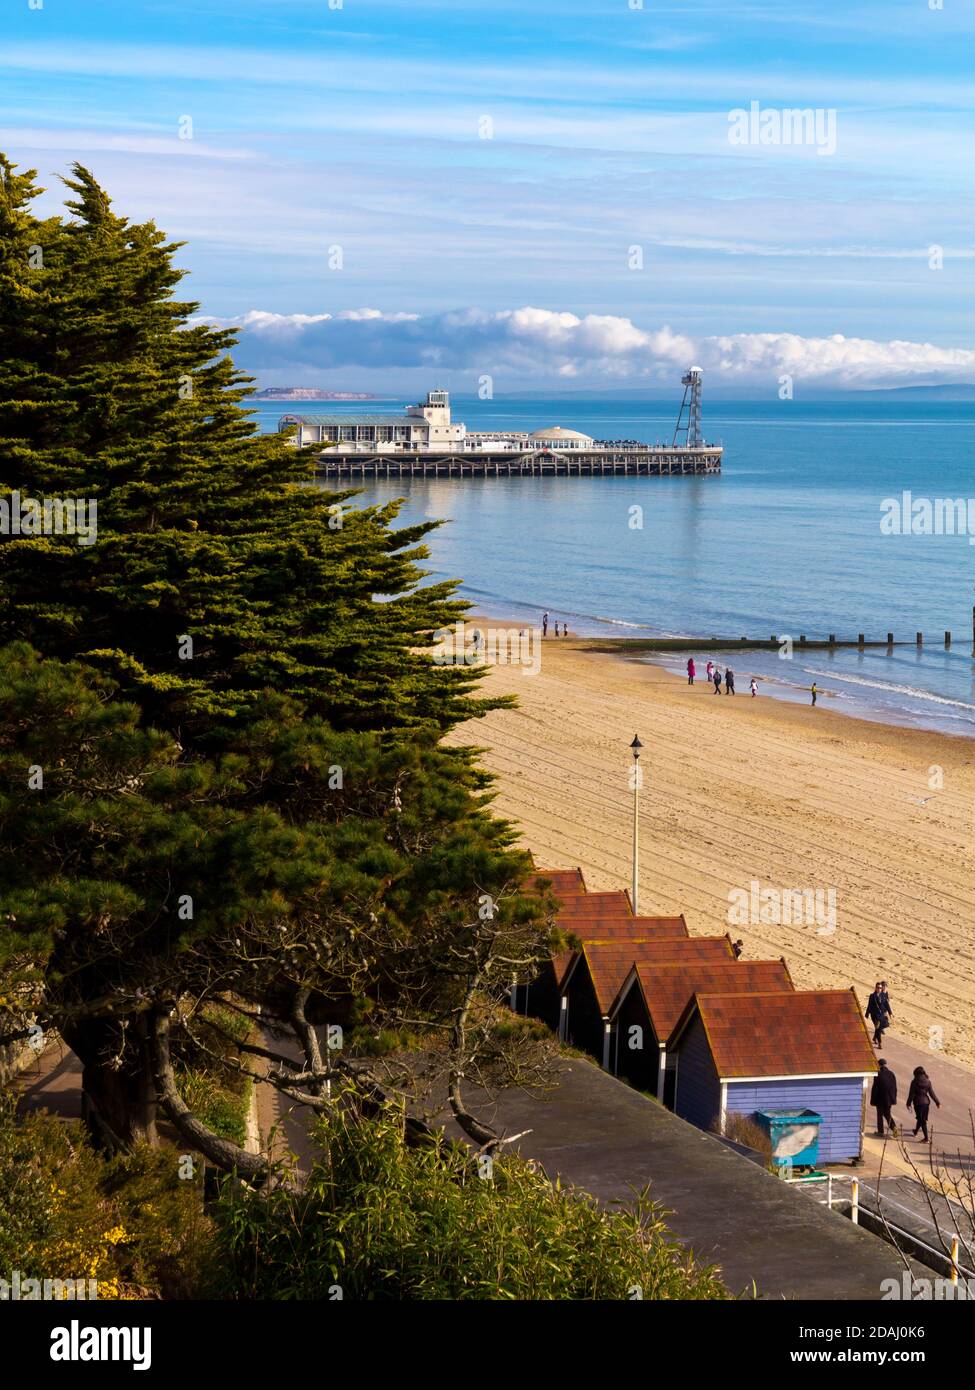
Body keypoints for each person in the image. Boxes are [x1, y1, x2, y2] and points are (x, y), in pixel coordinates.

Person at [906, 1067, 941, 1142]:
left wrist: (908, 1103)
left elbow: (911, 1094)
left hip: (918, 1103)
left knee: (922, 1120)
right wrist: (937, 1102)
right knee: (920, 1118)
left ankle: (926, 1139)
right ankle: (915, 1131)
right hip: (926, 1103)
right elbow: (932, 1093)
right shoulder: (928, 1081)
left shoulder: (914, 1082)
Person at [870, 1059, 898, 1137]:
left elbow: (875, 1088)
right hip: (889, 1099)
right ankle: (894, 1127)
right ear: (885, 1064)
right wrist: (894, 1098)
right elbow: (894, 1087)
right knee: (887, 1113)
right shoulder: (891, 1074)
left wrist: (873, 1101)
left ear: (879, 1065)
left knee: (879, 1115)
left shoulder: (878, 1074)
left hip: (880, 1099)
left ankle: (880, 1132)